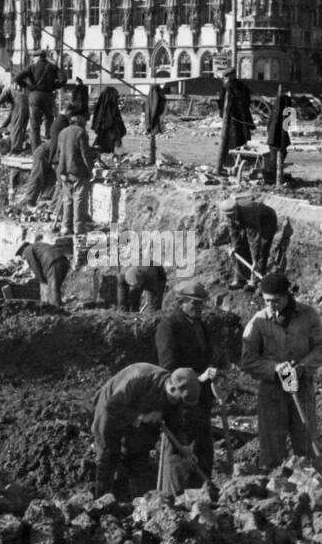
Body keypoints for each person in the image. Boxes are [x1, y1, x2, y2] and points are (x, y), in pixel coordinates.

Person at [241, 272, 322, 469]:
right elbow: (247, 359)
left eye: (275, 300)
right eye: (266, 301)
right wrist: (274, 368)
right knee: (271, 448)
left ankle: (311, 484)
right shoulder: (259, 321)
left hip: (302, 387)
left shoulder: (308, 315)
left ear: (287, 296)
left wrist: (302, 368)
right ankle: (273, 488)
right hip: (272, 391)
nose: (271, 305)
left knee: (306, 442)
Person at [91, 362, 200, 498]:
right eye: (178, 400)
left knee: (139, 457)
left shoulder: (175, 397)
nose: (179, 404)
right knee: (107, 455)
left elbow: (175, 425)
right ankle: (100, 504)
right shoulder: (138, 379)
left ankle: (139, 508)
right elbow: (113, 406)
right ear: (172, 389)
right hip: (111, 408)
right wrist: (141, 416)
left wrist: (184, 448)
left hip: (141, 412)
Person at [156, 278, 219, 481]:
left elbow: (208, 355)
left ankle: (204, 494)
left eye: (202, 303)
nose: (200, 308)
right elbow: (168, 367)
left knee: (204, 450)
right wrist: (197, 377)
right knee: (181, 453)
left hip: (202, 400)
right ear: (181, 302)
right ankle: (179, 498)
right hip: (181, 402)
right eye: (195, 303)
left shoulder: (200, 325)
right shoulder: (169, 326)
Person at [219, 196, 278, 289]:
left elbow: (254, 239)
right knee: (240, 247)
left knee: (262, 249)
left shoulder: (249, 213)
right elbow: (234, 234)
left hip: (267, 221)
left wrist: (255, 260)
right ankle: (240, 279)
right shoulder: (229, 215)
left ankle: (255, 280)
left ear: (236, 210)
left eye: (233, 215)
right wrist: (234, 247)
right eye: (229, 216)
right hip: (248, 220)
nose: (232, 217)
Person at [56, 110, 96, 237]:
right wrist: (90, 169)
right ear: (80, 120)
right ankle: (78, 228)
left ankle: (65, 227)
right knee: (79, 200)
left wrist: (61, 169)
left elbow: (59, 152)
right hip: (77, 171)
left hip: (63, 170)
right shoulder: (80, 132)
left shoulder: (62, 132)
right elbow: (84, 154)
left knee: (67, 200)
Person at [16, 51, 64, 149]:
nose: (33, 59)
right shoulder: (52, 67)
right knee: (49, 118)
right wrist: (54, 86)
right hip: (48, 96)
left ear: (37, 57)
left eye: (34, 57)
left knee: (34, 124)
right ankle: (49, 143)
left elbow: (17, 78)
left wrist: (28, 86)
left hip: (34, 96)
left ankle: (35, 150)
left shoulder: (31, 67)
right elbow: (63, 79)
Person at [17, 239, 70, 309]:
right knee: (56, 287)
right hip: (63, 260)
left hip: (52, 262)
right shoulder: (38, 246)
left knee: (52, 288)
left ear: (23, 248)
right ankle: (59, 305)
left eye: (21, 254)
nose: (23, 257)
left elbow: (35, 266)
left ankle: (55, 311)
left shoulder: (27, 250)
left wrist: (42, 280)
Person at [217, 69, 253, 167]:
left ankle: (231, 162)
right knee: (242, 138)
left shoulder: (227, 86)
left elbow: (222, 101)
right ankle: (242, 160)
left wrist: (222, 113)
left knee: (233, 139)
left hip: (232, 116)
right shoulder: (240, 85)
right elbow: (247, 99)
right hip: (242, 116)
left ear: (227, 76)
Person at [16, 139, 56, 208]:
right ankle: (29, 200)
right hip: (42, 154)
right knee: (37, 177)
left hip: (50, 155)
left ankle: (45, 199)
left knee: (52, 176)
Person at [91, 84, 127, 157]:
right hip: (109, 131)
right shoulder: (111, 106)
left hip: (105, 130)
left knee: (102, 148)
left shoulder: (103, 105)